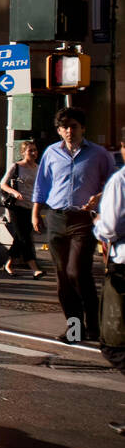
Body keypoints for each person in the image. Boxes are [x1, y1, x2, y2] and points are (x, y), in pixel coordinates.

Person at [31, 106, 116, 342]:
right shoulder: (50, 153)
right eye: (64, 127)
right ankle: (76, 330)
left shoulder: (99, 154)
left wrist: (99, 198)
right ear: (59, 131)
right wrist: (36, 213)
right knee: (63, 278)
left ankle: (95, 326)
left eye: (74, 126)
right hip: (57, 217)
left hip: (83, 220)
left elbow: (114, 184)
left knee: (77, 271)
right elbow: (42, 184)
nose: (69, 131)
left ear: (83, 128)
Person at [91, 126, 125, 388]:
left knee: (114, 343)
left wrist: (98, 223)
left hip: (122, 266)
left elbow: (110, 228)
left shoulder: (120, 181)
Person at [0, 140, 44, 278]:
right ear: (23, 152)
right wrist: (14, 192)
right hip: (17, 207)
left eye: (35, 150)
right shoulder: (17, 166)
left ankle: (8, 264)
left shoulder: (38, 167)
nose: (34, 153)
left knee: (19, 238)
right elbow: (3, 184)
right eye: (30, 151)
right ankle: (34, 268)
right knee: (25, 238)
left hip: (31, 207)